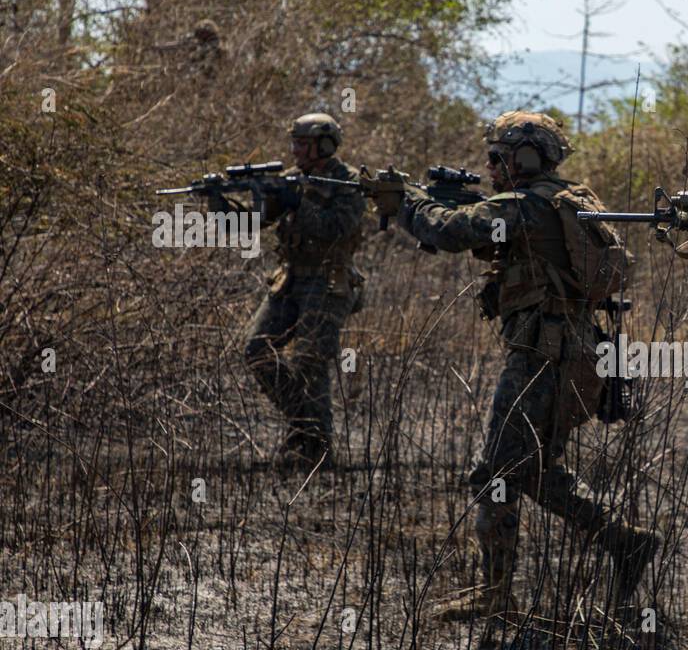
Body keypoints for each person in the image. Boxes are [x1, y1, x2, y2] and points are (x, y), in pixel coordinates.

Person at [395, 111, 658, 623]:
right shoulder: (567, 200)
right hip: (578, 357)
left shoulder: (524, 206)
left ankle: (497, 595)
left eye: (499, 157)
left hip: (544, 359)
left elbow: (449, 231)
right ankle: (625, 541)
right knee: (534, 471)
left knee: (496, 471)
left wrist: (410, 202)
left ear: (527, 158)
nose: (490, 166)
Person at [226, 112, 366, 470]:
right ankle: (304, 427)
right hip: (291, 279)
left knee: (310, 361)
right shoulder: (290, 180)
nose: (296, 151)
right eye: (294, 143)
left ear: (326, 144)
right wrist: (223, 207)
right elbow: (253, 223)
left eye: (303, 144)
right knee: (257, 350)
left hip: (329, 280)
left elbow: (338, 227)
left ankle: (317, 449)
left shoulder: (347, 182)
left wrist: (298, 204)